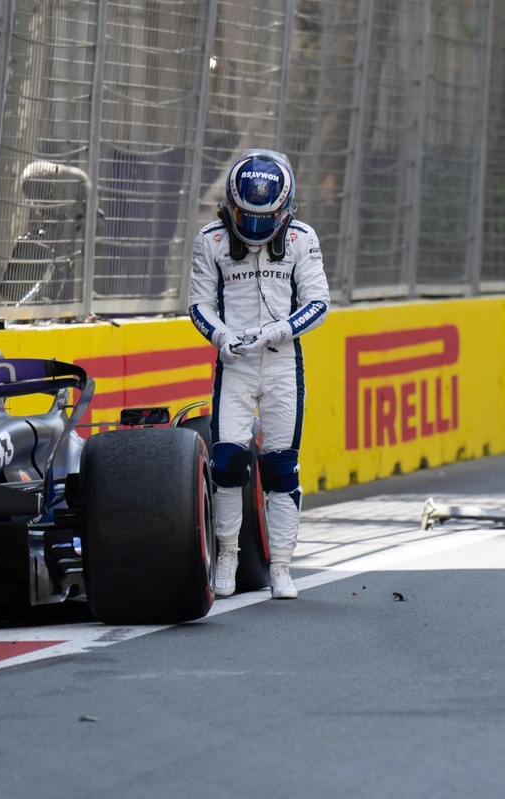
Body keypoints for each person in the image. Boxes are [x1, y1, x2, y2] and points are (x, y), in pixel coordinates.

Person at [188, 149, 330, 599]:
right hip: (235, 364)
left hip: (283, 363)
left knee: (281, 466)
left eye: (262, 218)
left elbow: (319, 302)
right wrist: (221, 336)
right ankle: (228, 554)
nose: (252, 227)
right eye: (244, 216)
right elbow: (198, 305)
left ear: (284, 209)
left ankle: (282, 565)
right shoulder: (210, 239)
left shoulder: (303, 238)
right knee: (227, 462)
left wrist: (279, 330)